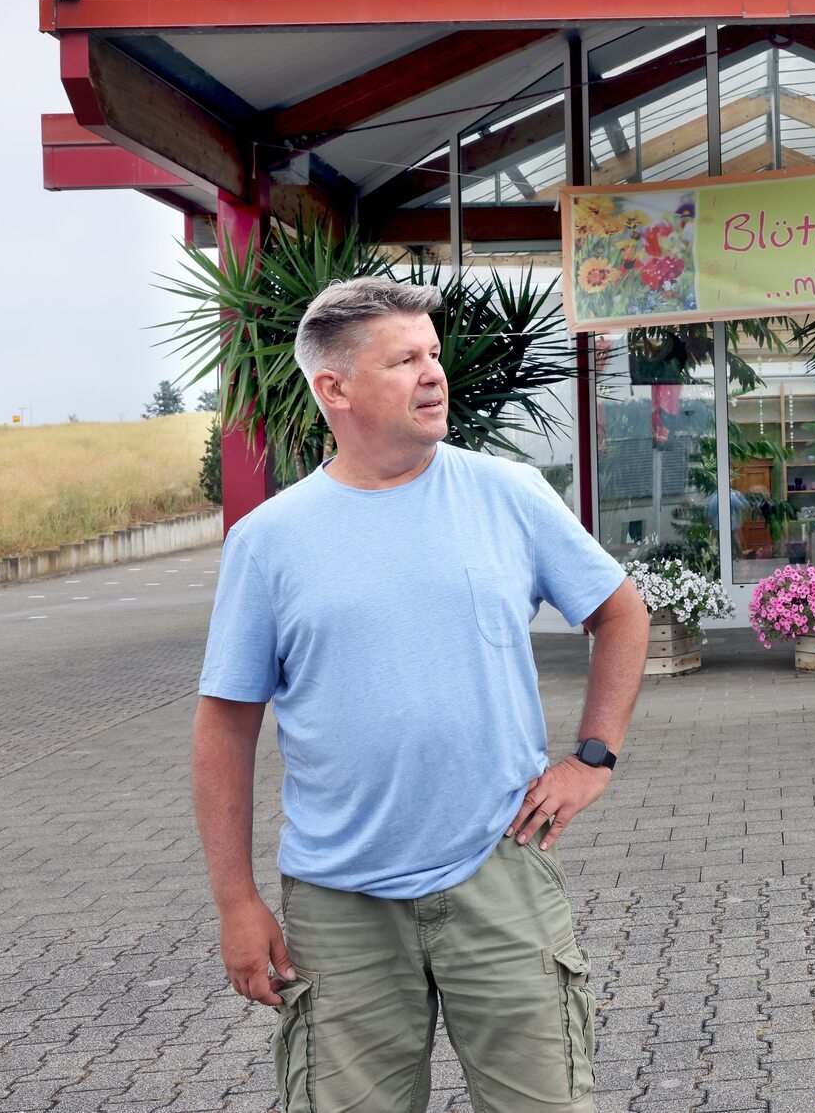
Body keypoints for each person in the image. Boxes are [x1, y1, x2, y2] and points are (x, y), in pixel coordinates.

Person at [191, 277, 649, 1112]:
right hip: (340, 902)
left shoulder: (506, 494)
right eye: (405, 359)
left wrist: (593, 757)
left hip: (498, 870)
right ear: (334, 387)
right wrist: (236, 899)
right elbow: (225, 724)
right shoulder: (268, 541)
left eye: (433, 354)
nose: (434, 373)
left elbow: (620, 612)